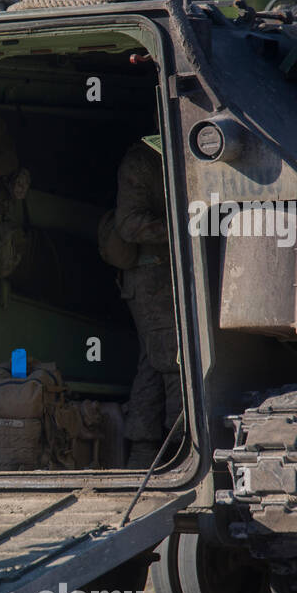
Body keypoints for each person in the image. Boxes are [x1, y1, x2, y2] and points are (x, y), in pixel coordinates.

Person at [114, 139, 180, 469]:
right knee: (171, 360)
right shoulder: (143, 160)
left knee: (154, 362)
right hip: (153, 279)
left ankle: (145, 454)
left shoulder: (170, 154)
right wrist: (183, 228)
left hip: (163, 278)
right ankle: (180, 448)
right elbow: (128, 224)